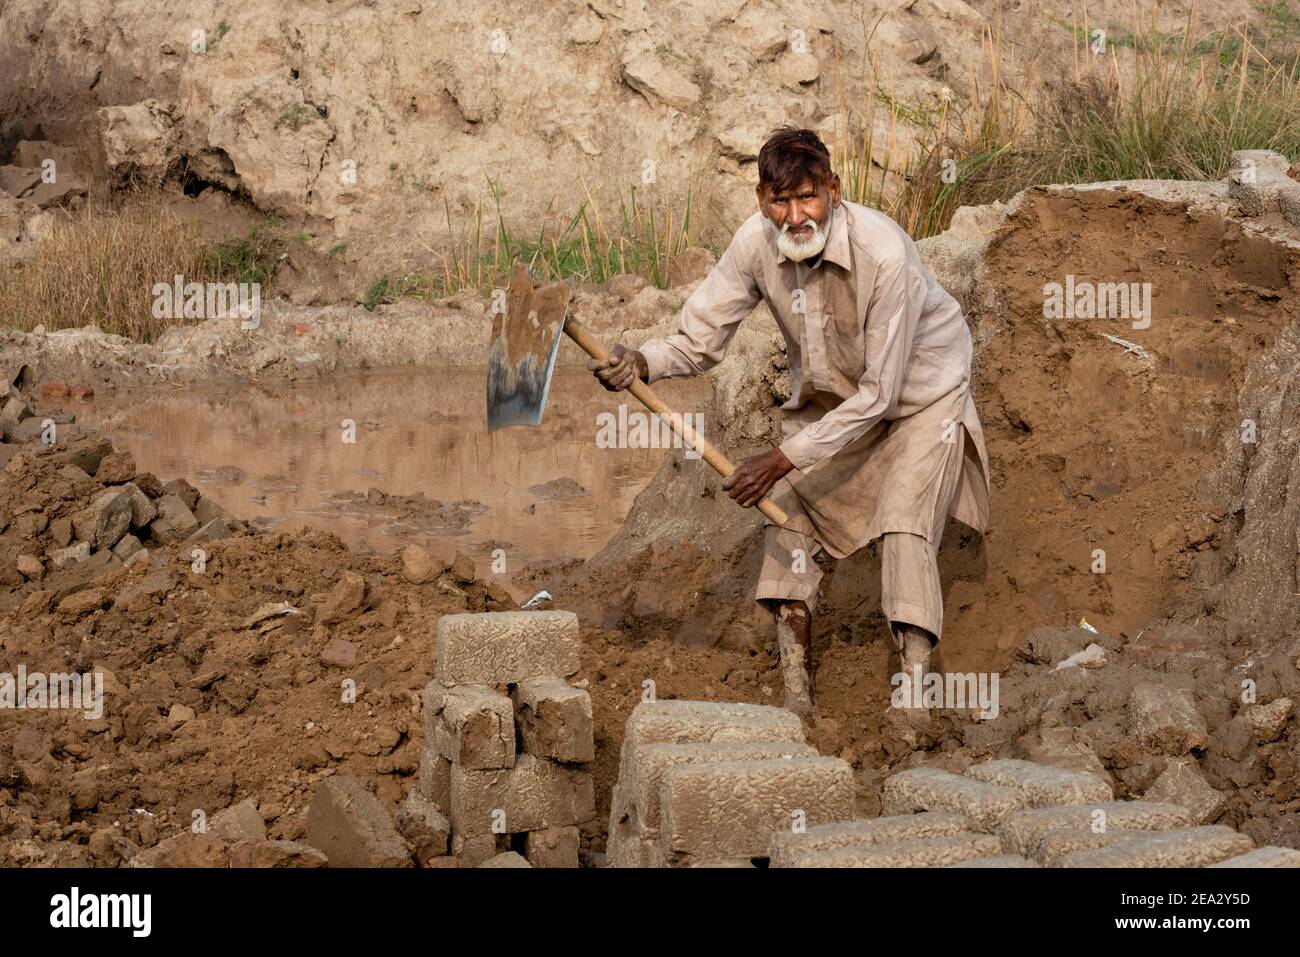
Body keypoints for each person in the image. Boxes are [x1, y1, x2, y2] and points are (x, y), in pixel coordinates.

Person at [590, 127, 989, 716]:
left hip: (920, 400)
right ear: (761, 200)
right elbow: (698, 340)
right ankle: (797, 695)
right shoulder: (756, 244)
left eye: (808, 198)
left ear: (833, 189)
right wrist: (643, 360)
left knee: (906, 524)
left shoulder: (884, 254)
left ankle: (914, 699)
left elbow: (881, 396)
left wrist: (782, 457)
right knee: (790, 523)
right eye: (781, 201)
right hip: (833, 402)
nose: (796, 216)